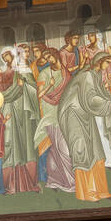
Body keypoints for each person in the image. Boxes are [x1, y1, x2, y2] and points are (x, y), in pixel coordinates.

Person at [56, 51, 111, 201]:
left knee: (97, 152)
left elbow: (99, 95)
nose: (107, 65)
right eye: (106, 62)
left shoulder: (95, 76)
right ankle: (87, 193)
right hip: (74, 115)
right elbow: (91, 98)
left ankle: (101, 190)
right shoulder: (88, 75)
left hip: (85, 114)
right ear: (99, 61)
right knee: (82, 152)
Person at [0, 49, 40, 193]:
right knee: (11, 144)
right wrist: (2, 94)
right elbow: (3, 88)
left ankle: (30, 182)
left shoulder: (23, 70)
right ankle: (11, 184)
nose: (6, 58)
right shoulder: (5, 71)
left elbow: (33, 88)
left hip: (24, 110)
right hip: (10, 110)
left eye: (7, 55)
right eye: (3, 57)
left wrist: (24, 84)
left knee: (26, 144)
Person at [33, 47, 76, 192]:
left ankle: (54, 180)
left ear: (56, 55)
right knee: (62, 148)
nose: (49, 59)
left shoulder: (65, 73)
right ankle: (70, 182)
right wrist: (50, 85)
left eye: (50, 56)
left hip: (65, 112)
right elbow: (40, 95)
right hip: (51, 115)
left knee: (56, 149)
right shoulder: (45, 73)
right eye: (47, 58)